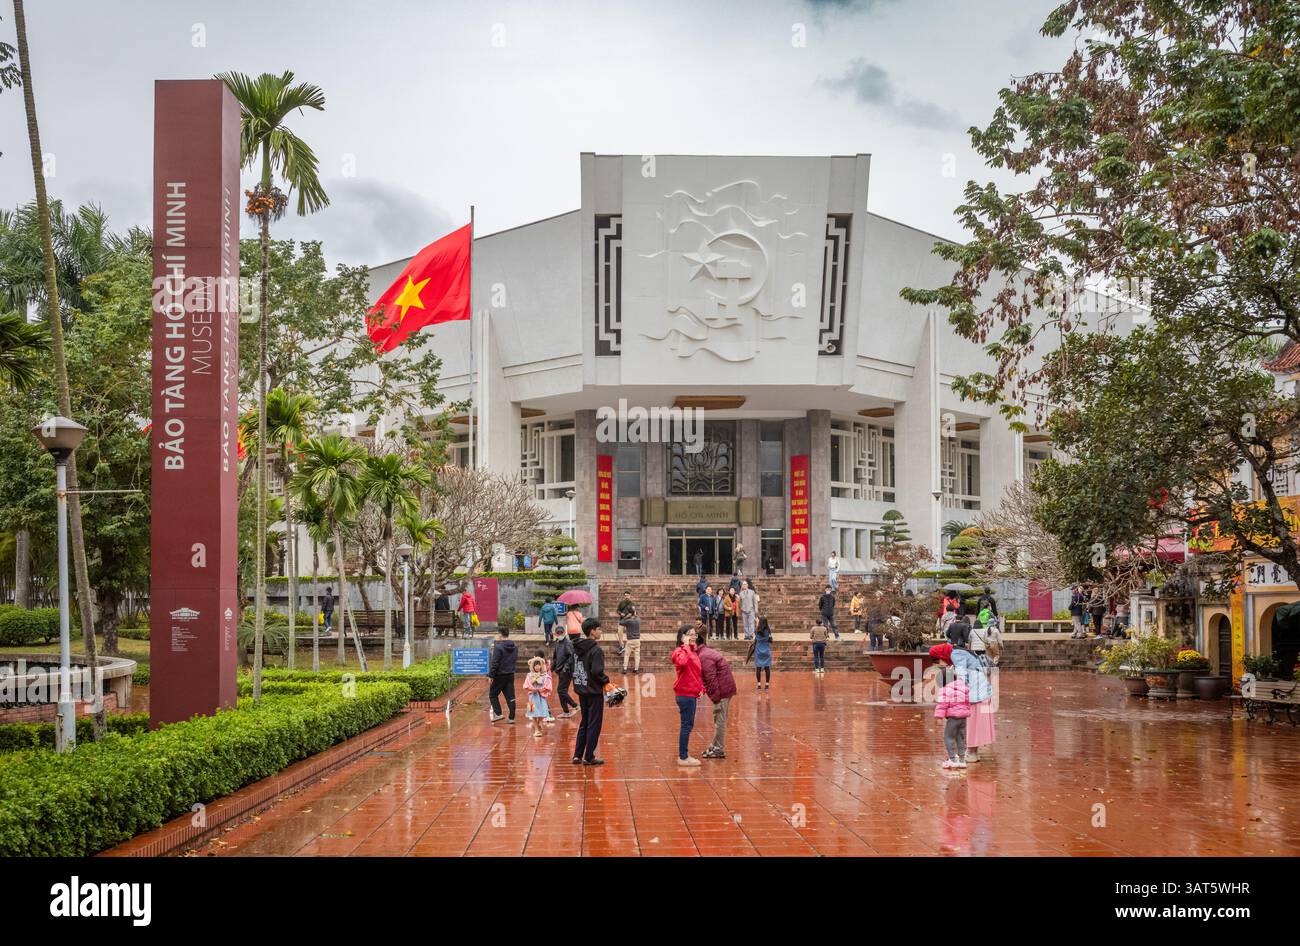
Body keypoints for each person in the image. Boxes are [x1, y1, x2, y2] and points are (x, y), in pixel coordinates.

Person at [948, 621, 994, 763]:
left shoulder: (957, 653)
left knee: (972, 723)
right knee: (975, 723)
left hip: (975, 694)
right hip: (982, 690)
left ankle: (972, 753)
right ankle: (974, 752)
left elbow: (962, 674)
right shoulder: (968, 651)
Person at [572, 618, 609, 765]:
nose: (600, 631)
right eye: (599, 629)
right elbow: (597, 671)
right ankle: (589, 756)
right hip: (594, 691)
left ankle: (577, 755)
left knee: (584, 722)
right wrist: (606, 681)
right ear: (592, 631)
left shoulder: (576, 647)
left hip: (581, 688)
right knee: (594, 723)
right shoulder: (596, 650)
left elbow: (572, 667)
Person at [697, 629, 737, 759]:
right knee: (718, 718)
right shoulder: (704, 652)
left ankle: (719, 749)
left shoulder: (704, 656)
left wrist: (716, 699)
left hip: (722, 691)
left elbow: (711, 679)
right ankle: (715, 745)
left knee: (719, 719)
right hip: (724, 688)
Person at [930, 641, 970, 769]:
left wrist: (938, 718)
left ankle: (953, 759)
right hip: (963, 718)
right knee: (961, 737)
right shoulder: (963, 686)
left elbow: (942, 705)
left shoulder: (945, 690)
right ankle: (962, 760)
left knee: (948, 736)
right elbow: (968, 701)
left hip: (952, 718)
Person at [671, 625, 704, 766]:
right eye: (690, 634)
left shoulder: (692, 651)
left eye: (694, 634)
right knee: (686, 726)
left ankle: (684, 755)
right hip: (684, 694)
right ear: (683, 636)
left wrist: (701, 688)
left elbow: (695, 672)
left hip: (692, 693)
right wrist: (684, 645)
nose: (694, 636)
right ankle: (683, 757)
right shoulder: (679, 651)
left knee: (688, 725)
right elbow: (682, 662)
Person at [487, 627, 518, 723]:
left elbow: (495, 663)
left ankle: (499, 714)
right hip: (510, 674)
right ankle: (512, 718)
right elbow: (514, 660)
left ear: (500, 635)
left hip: (500, 675)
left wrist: (491, 675)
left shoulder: (498, 647)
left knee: (493, 694)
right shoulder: (515, 647)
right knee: (510, 696)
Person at [551, 624, 579, 718]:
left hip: (566, 671)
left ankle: (575, 705)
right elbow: (555, 658)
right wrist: (551, 668)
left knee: (560, 690)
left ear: (564, 633)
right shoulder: (557, 643)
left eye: (561, 633)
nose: (559, 634)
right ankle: (565, 712)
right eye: (558, 633)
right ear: (555, 633)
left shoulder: (568, 643)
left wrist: (565, 668)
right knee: (562, 691)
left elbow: (571, 657)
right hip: (559, 671)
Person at [522, 656, 552, 737]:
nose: (537, 667)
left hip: (542, 697)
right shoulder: (529, 675)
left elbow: (549, 685)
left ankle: (539, 723)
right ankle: (536, 729)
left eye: (539, 665)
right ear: (532, 666)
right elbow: (525, 685)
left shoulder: (545, 676)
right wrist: (532, 689)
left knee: (543, 712)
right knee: (533, 713)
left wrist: (542, 689)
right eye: (535, 665)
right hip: (532, 697)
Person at [746, 617, 775, 689]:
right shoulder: (768, 630)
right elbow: (770, 640)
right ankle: (767, 684)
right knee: (767, 667)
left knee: (758, 667)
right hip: (766, 650)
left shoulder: (757, 630)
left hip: (758, 651)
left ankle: (759, 684)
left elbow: (755, 636)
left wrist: (756, 623)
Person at [619, 606, 642, 673]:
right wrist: (634, 613)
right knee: (637, 655)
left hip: (630, 640)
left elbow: (621, 622)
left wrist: (626, 617)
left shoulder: (628, 621)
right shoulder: (638, 619)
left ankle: (625, 669)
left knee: (627, 655)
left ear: (629, 613)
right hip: (637, 640)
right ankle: (636, 669)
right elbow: (636, 615)